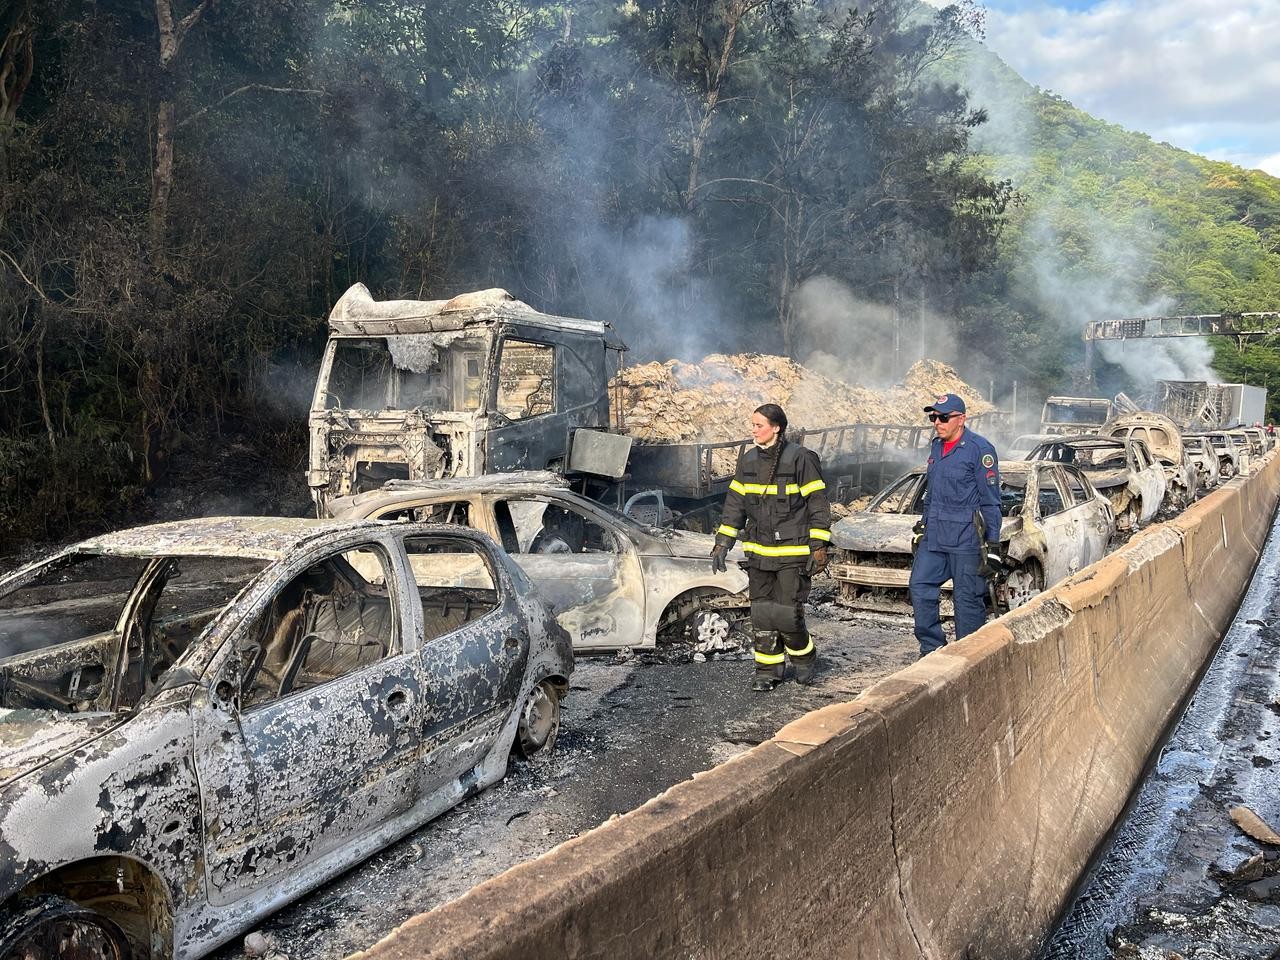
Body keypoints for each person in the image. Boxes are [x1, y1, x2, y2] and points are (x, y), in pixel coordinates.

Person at [710, 404, 832, 690]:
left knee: (787, 615)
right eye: (752, 425)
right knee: (762, 615)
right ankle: (768, 671)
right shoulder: (749, 461)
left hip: (793, 552)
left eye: (759, 425)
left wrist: (819, 545)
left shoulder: (800, 459)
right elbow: (735, 505)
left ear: (776, 427)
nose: (753, 430)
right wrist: (722, 542)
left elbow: (817, 503)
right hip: (760, 552)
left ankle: (804, 660)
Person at [908, 393, 1003, 658]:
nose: (937, 422)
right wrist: (923, 527)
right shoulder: (936, 447)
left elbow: (991, 501)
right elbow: (932, 494)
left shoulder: (980, 450)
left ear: (961, 419)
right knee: (919, 586)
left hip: (966, 540)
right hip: (936, 537)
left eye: (943, 417)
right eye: (933, 417)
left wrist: (993, 544)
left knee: (967, 601)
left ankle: (968, 657)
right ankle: (931, 649)